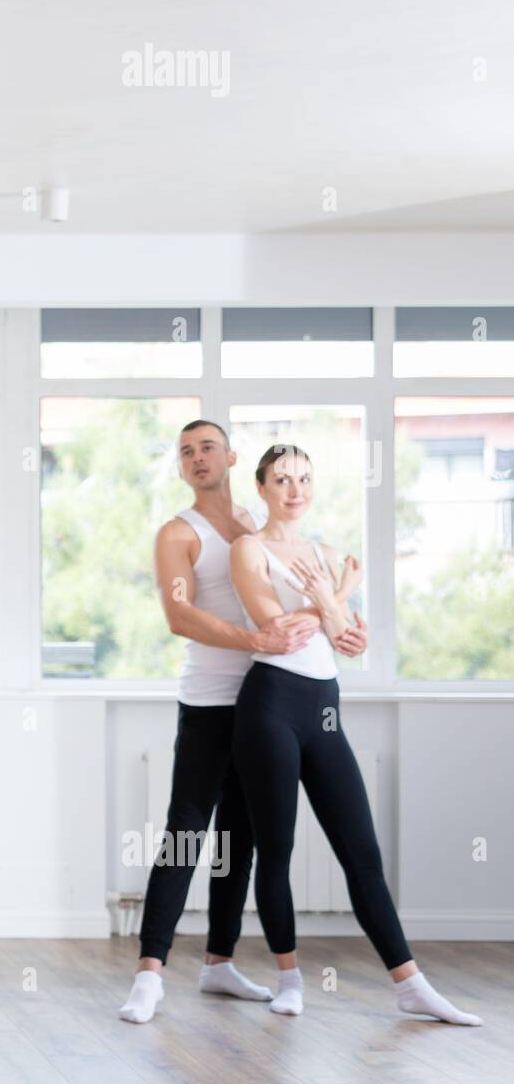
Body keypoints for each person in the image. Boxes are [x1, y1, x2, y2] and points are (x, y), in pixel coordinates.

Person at [119, 422, 367, 1024]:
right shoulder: (179, 533)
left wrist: (337, 607)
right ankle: (150, 974)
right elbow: (178, 613)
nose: (198, 458)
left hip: (269, 702)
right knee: (187, 830)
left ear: (232, 459)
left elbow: (310, 619)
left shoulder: (260, 532)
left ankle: (218, 963)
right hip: (209, 701)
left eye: (208, 448)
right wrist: (255, 636)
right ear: (181, 468)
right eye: (186, 452)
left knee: (241, 837)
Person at [229, 443, 482, 1025]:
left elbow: (351, 641)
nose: (296, 489)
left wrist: (332, 605)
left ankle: (411, 984)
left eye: (305, 479)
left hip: (323, 709)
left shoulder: (327, 553)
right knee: (277, 850)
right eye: (284, 479)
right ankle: (289, 978)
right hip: (269, 707)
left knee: (362, 853)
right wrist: (334, 598)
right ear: (263, 487)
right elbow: (280, 628)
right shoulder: (250, 549)